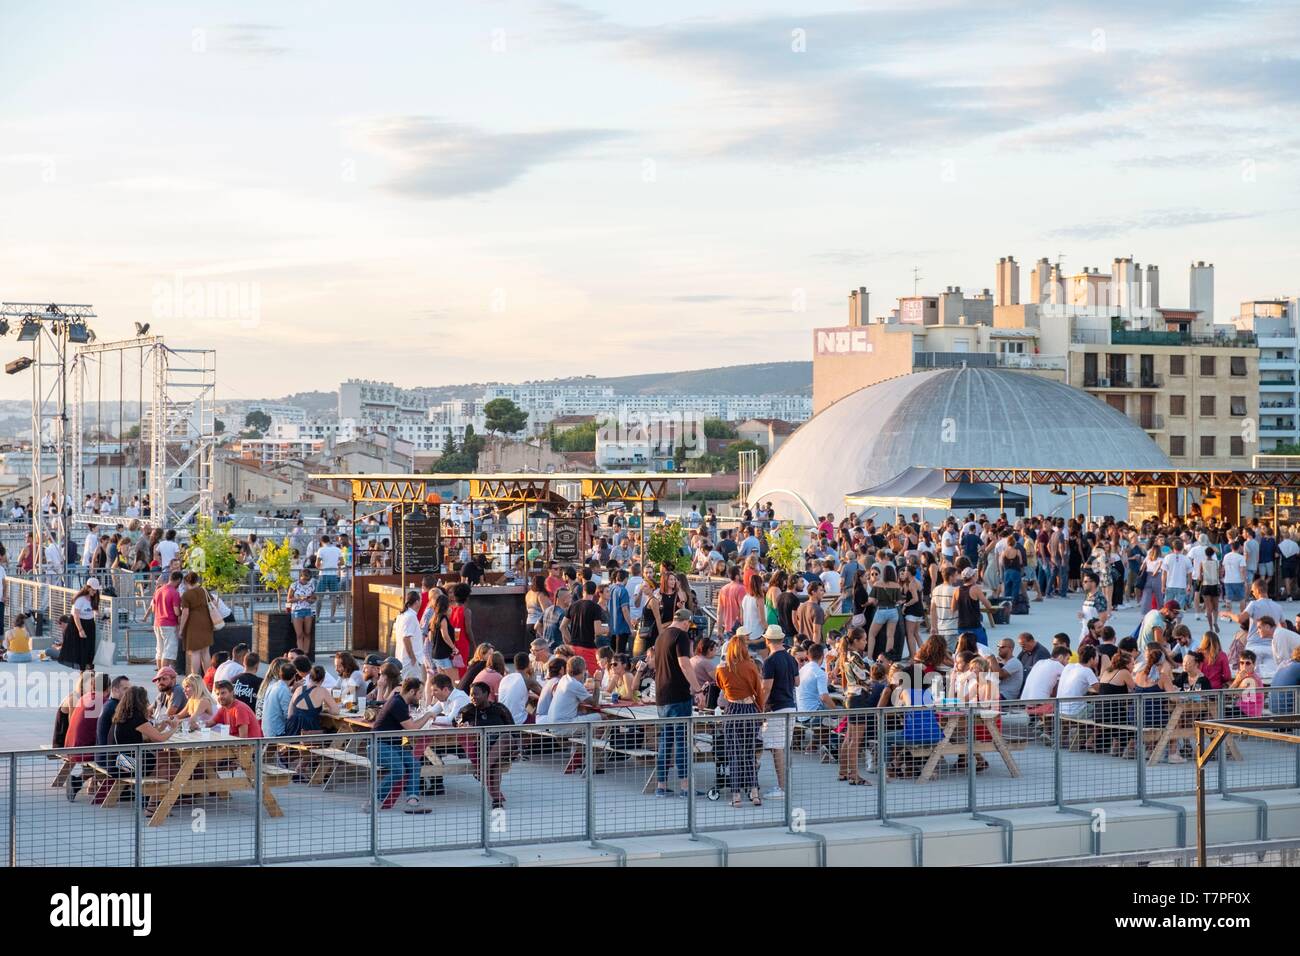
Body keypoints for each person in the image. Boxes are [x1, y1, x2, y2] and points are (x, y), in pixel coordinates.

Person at [653, 607, 702, 798]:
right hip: (678, 695)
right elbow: (684, 664)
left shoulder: (661, 637)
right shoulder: (680, 636)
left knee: (665, 741)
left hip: (662, 695)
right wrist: (697, 689)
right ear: (686, 622)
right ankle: (685, 786)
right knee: (682, 741)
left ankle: (661, 786)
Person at [372, 676, 438, 813]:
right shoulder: (397, 703)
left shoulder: (400, 701)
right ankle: (374, 801)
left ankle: (412, 801)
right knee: (399, 770)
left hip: (393, 745)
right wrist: (427, 715)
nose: (421, 696)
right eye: (420, 693)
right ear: (412, 692)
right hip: (378, 745)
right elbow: (412, 728)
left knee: (414, 764)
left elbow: (407, 724)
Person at [714, 636, 766, 808]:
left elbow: (720, 686)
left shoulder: (721, 669)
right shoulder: (751, 666)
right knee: (749, 753)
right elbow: (758, 692)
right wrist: (761, 711)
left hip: (732, 710)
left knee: (734, 753)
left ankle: (736, 796)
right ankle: (754, 792)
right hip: (749, 709)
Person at [455, 681, 516, 809]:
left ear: (486, 694)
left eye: (476, 694)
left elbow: (514, 730)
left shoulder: (499, 708)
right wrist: (462, 725)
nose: (473, 698)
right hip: (482, 748)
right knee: (497, 764)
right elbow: (455, 722)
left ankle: (483, 769)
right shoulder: (468, 710)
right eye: (471, 695)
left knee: (506, 737)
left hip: (504, 746)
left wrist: (519, 748)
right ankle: (496, 800)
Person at [760, 625, 799, 798]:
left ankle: (782, 787)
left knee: (777, 749)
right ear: (782, 639)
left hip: (776, 707)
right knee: (783, 747)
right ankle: (785, 784)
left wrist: (760, 707)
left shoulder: (770, 661)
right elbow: (797, 682)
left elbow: (766, 688)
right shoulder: (791, 659)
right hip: (790, 705)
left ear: (767, 640)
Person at [284, 664, 339, 736]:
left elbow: (290, 714)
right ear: (322, 680)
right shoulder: (322, 691)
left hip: (292, 730)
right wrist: (326, 710)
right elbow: (336, 711)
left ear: (309, 676)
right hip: (309, 731)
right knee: (332, 730)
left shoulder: (298, 689)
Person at [177, 571, 214, 677]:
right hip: (206, 622)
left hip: (193, 625)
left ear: (186, 582)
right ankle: (208, 677)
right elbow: (214, 602)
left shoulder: (186, 595)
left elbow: (185, 613)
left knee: (195, 652)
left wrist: (181, 629)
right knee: (206, 652)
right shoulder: (204, 591)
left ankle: (195, 677)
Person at [57, 579, 99, 672]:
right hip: (79, 623)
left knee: (90, 649)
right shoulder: (80, 599)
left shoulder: (94, 598)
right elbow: (76, 615)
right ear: (88, 588)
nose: (95, 592)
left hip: (90, 624)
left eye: (96, 590)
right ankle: (83, 671)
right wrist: (80, 629)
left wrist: (101, 614)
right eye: (93, 590)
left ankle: (89, 669)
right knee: (81, 650)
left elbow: (95, 611)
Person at [149, 571, 183, 671]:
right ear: (178, 580)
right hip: (169, 624)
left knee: (160, 650)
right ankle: (165, 674)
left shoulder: (158, 590)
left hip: (157, 622)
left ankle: (160, 674)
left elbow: (153, 609)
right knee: (168, 651)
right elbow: (177, 612)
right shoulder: (175, 593)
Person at [392, 590, 423, 681]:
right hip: (409, 660)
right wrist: (412, 657)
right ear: (417, 602)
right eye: (420, 600)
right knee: (411, 687)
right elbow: (406, 638)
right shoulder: (411, 616)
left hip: (403, 658)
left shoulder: (402, 615)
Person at [286, 568, 316, 655]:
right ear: (301, 576)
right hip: (297, 610)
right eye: (304, 579)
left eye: (308, 579)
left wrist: (310, 600)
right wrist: (299, 598)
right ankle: (300, 654)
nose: (306, 581)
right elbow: (288, 599)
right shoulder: (294, 585)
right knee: (299, 634)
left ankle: (305, 654)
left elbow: (314, 598)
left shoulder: (311, 585)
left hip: (307, 610)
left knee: (307, 633)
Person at [498, 652, 533, 724]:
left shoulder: (505, 678)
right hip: (518, 722)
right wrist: (532, 675)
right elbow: (544, 694)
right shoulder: (527, 680)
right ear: (528, 664)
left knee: (529, 706)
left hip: (503, 721)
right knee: (539, 716)